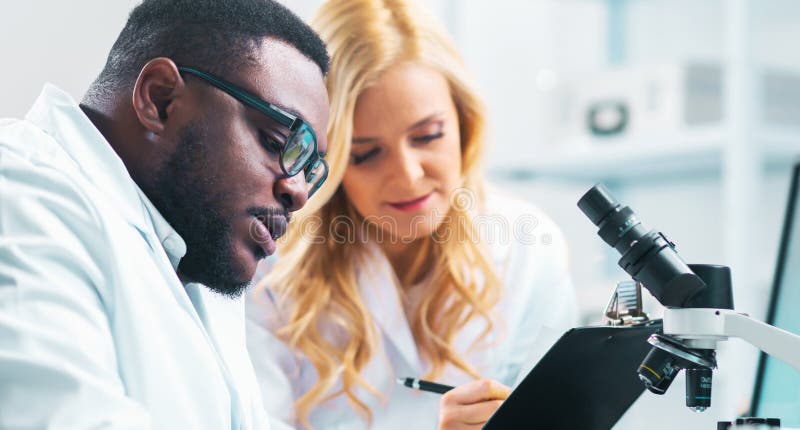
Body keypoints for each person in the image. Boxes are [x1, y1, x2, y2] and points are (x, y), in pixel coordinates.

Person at [245, 0, 578, 428]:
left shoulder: (527, 252)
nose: (407, 175)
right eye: (366, 154)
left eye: (427, 136)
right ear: (326, 159)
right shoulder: (267, 267)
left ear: (464, 122)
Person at [0, 0, 329, 428]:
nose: (298, 192)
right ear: (161, 98)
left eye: (309, 168)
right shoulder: (23, 199)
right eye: (276, 142)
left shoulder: (194, 249)